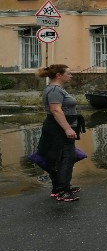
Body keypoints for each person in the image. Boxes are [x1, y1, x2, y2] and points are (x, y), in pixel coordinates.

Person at [35, 64, 82, 202]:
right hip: (58, 129)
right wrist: (67, 128)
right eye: (68, 73)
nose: (71, 75)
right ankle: (62, 191)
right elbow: (56, 110)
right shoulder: (55, 90)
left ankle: (61, 188)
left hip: (58, 127)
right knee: (66, 158)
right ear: (59, 75)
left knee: (61, 157)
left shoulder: (56, 89)